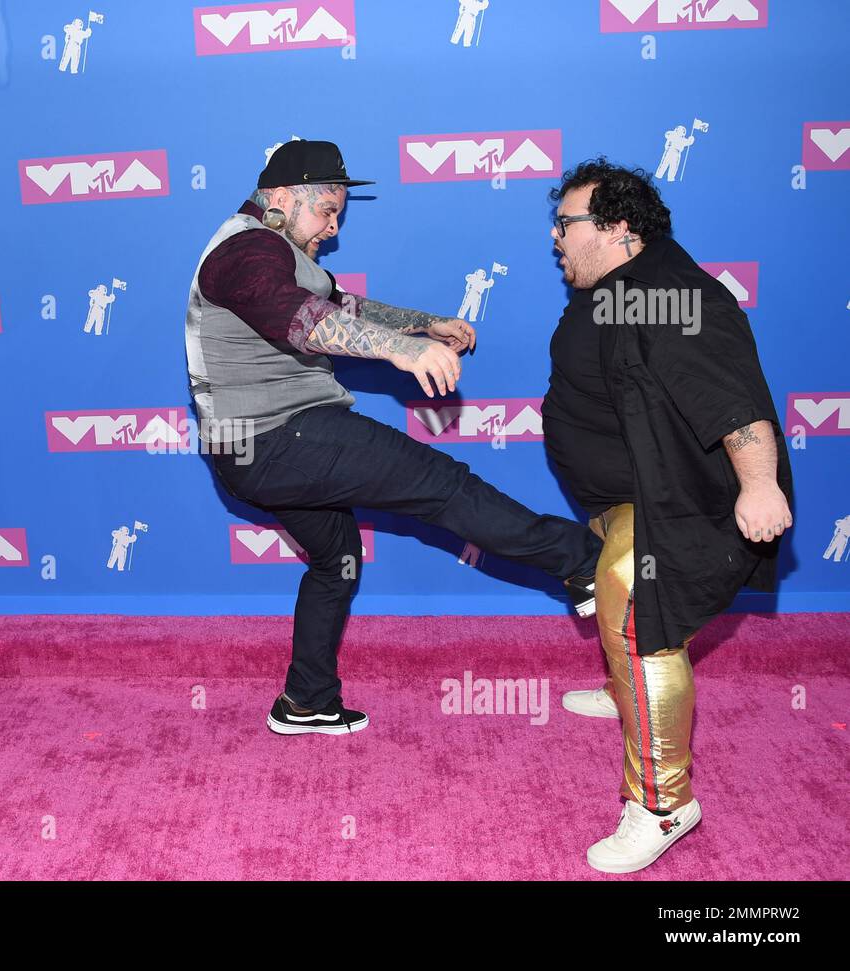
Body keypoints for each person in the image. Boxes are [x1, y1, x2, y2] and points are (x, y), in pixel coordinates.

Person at [185, 139, 603, 736]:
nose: (331, 228)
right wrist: (404, 350)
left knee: (336, 560)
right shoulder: (245, 252)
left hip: (254, 447)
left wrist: (423, 322)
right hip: (280, 435)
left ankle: (306, 701)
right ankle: (585, 564)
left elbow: (343, 303)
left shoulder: (274, 245)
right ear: (280, 198)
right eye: (326, 211)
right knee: (443, 486)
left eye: (337, 216)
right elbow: (301, 320)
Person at [543, 158, 793, 872]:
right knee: (622, 604)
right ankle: (631, 689)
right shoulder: (616, 286)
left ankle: (663, 803)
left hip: (682, 500)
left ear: (619, 228)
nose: (555, 238)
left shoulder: (665, 295)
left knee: (632, 610)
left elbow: (730, 396)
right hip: (628, 493)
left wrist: (759, 485)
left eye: (567, 224)